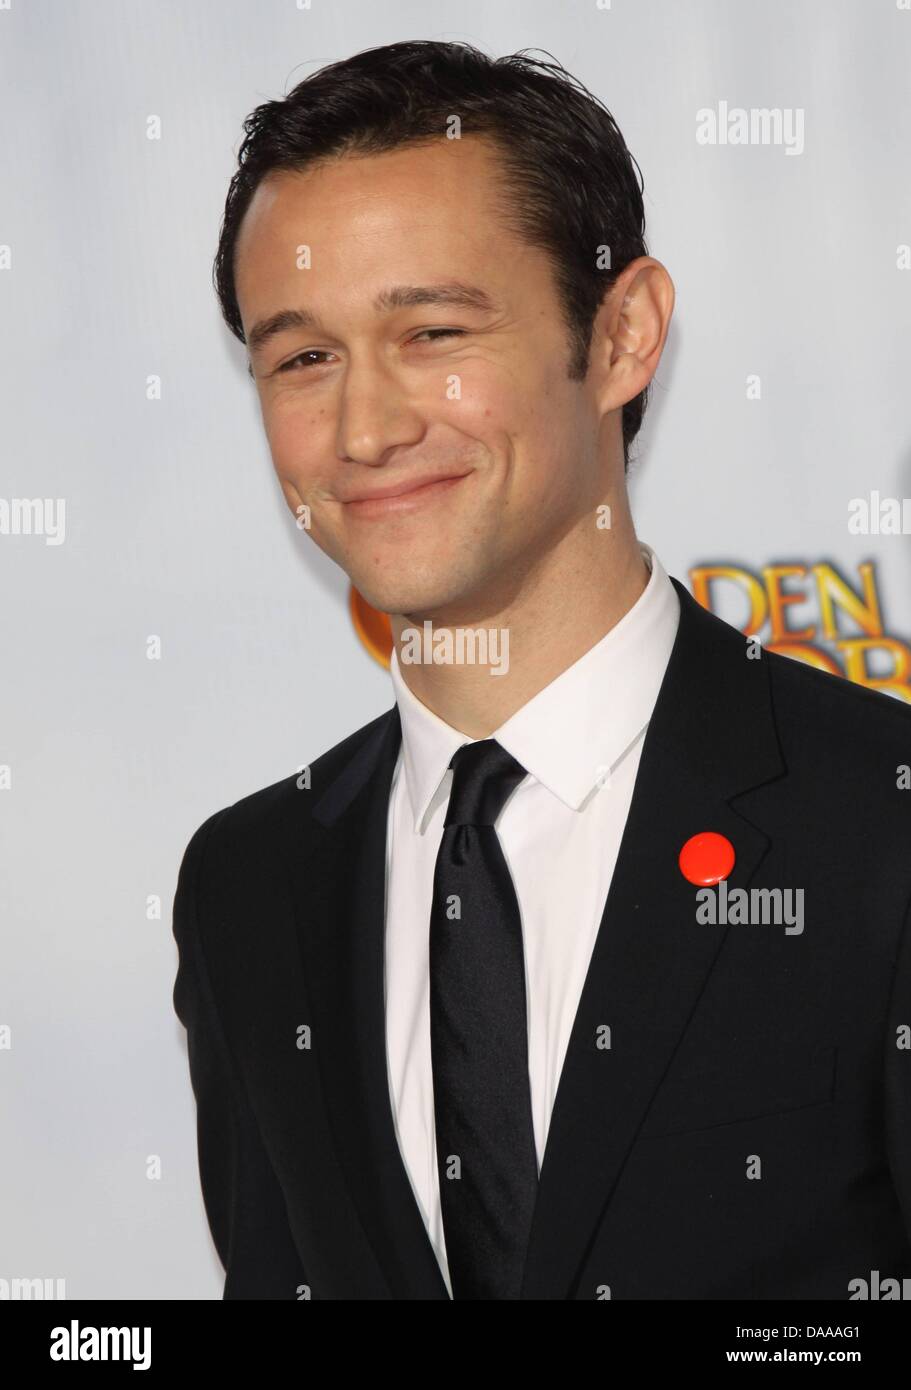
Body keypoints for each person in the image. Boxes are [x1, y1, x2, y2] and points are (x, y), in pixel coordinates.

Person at [172, 39, 911, 1299]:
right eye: (302, 358)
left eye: (434, 331)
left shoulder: (878, 821)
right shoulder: (249, 886)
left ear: (621, 335)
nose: (364, 428)